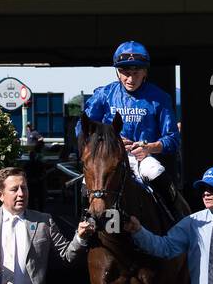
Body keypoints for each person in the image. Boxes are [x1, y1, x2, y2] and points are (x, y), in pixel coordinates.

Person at [76, 40, 183, 219]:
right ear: (118, 72)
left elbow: (173, 138)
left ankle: (177, 221)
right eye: (126, 73)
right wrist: (107, 143)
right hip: (109, 158)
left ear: (145, 72)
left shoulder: (160, 98)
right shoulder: (103, 95)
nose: (131, 79)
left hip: (143, 159)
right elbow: (82, 129)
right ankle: (82, 232)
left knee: (156, 173)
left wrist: (150, 147)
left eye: (136, 72)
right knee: (84, 186)